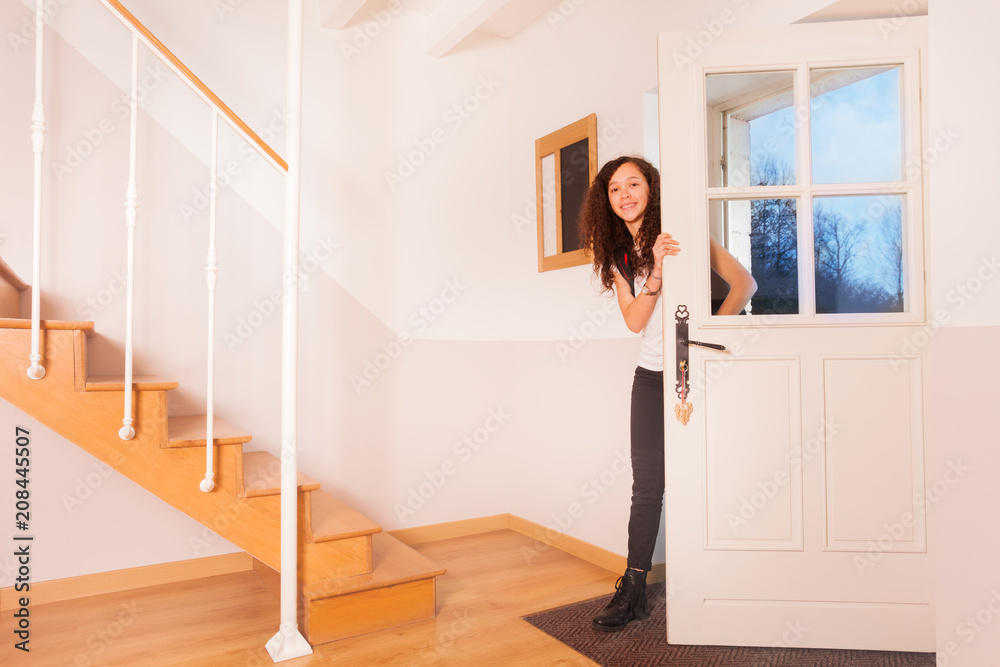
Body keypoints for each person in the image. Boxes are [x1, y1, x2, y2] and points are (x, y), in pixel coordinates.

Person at [578, 155, 756, 632]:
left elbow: (745, 284)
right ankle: (634, 587)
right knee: (647, 485)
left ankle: (725, 577)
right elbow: (636, 321)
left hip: (697, 373)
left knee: (711, 472)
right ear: (607, 201)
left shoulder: (685, 236)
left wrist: (706, 335)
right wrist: (653, 268)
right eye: (614, 190)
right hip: (651, 376)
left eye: (633, 184)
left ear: (651, 189)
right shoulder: (618, 253)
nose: (625, 195)